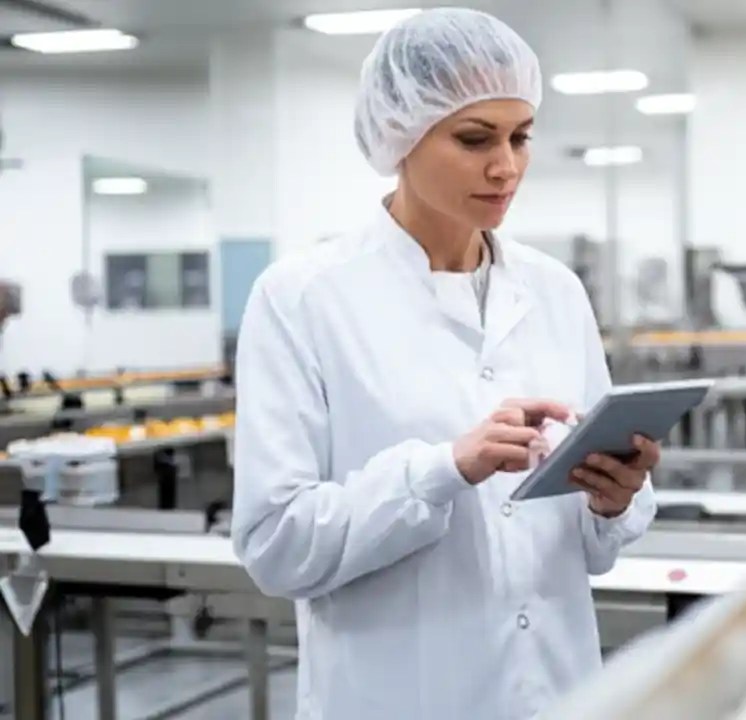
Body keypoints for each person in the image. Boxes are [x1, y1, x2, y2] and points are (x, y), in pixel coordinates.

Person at [230, 9, 659, 719]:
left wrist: (611, 497)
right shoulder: (304, 298)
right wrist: (441, 470)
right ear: (401, 134)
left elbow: (590, 549)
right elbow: (276, 546)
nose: (507, 166)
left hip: (556, 690)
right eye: (474, 138)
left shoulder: (554, 292)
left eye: (521, 136)